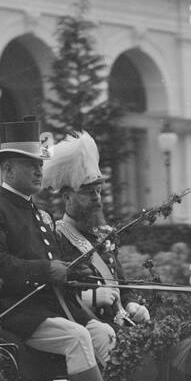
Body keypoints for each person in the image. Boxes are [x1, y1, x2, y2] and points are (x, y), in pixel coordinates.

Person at [0, 120, 118, 381]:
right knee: (78, 338)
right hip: (16, 312)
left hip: (52, 310)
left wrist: (75, 275)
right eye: (30, 165)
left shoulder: (41, 213)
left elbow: (55, 264)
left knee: (101, 331)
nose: (39, 171)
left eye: (40, 164)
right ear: (9, 169)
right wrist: (46, 270)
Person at [41, 130, 152, 328]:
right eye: (87, 192)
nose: (96, 198)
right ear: (67, 197)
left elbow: (121, 285)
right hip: (86, 327)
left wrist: (132, 304)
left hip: (118, 324)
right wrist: (89, 297)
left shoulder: (105, 234)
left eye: (98, 191)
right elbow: (54, 294)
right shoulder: (57, 235)